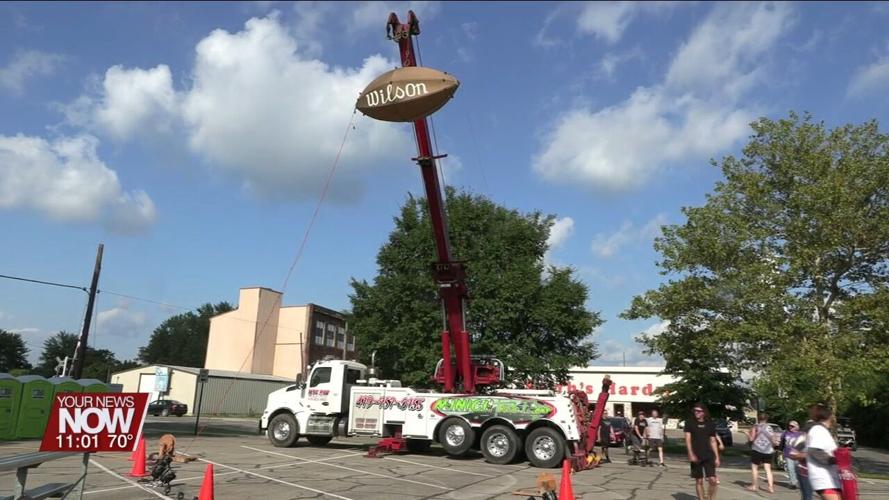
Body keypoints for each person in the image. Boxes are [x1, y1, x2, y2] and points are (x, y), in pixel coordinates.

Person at [804, 404, 841, 500]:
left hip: (830, 479)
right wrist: (834, 460)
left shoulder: (822, 430)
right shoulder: (818, 430)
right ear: (829, 416)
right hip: (824, 479)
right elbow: (815, 451)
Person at [685, 403, 720, 500]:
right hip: (696, 455)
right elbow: (687, 439)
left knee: (712, 480)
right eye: (695, 411)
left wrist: (717, 457)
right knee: (699, 481)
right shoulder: (689, 423)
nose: (696, 413)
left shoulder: (710, 424)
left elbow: (713, 441)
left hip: (708, 455)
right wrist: (690, 453)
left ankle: (710, 498)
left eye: (699, 411)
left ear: (704, 412)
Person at [747, 413, 776, 493]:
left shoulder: (755, 427)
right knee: (768, 469)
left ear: (758, 418)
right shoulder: (770, 428)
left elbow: (751, 439)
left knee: (754, 468)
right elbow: (773, 440)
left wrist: (746, 433)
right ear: (766, 419)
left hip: (757, 450)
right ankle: (770, 487)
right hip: (768, 450)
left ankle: (754, 485)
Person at [780, 420, 804, 489]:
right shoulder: (785, 433)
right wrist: (781, 451)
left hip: (798, 455)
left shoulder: (801, 434)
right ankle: (793, 483)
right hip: (788, 454)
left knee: (798, 469)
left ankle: (799, 483)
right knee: (790, 469)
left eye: (792, 426)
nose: (790, 427)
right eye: (789, 426)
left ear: (797, 426)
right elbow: (782, 443)